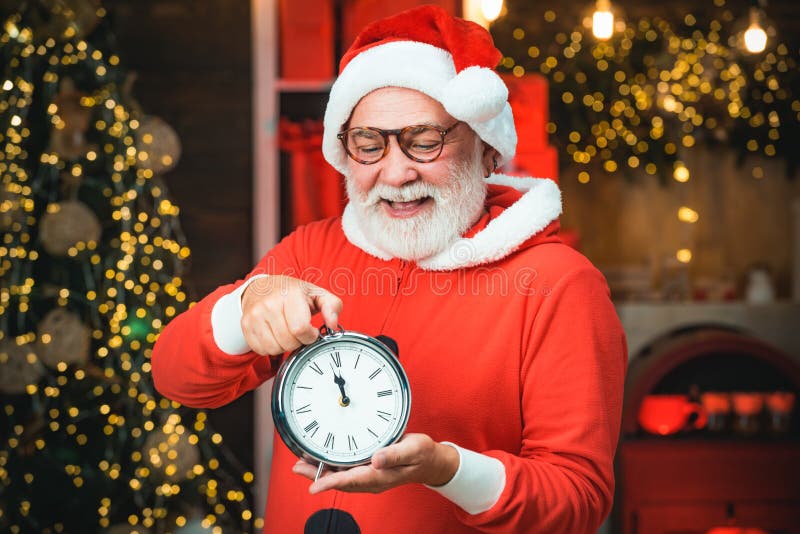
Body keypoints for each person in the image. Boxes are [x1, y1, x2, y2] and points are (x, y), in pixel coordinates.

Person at [151, 5, 627, 533]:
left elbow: (578, 500)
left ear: (488, 150)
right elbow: (176, 379)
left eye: (425, 142)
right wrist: (242, 310)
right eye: (369, 144)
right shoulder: (310, 252)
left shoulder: (558, 284)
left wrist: (449, 471)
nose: (396, 173)